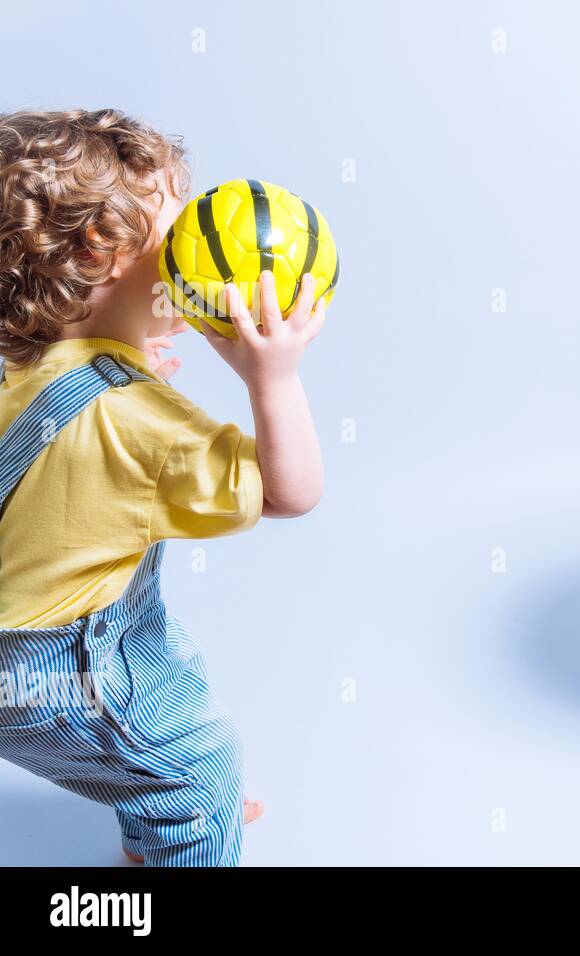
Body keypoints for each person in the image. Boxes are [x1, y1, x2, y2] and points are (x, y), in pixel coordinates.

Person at [0, 109, 325, 862]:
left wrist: (126, 368)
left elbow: (70, 430)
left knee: (171, 667)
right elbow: (292, 492)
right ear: (103, 249)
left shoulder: (30, 365)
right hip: (58, 663)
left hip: (42, 628)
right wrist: (272, 381)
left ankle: (156, 794)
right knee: (194, 763)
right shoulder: (137, 419)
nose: (202, 253)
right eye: (182, 235)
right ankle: (182, 815)